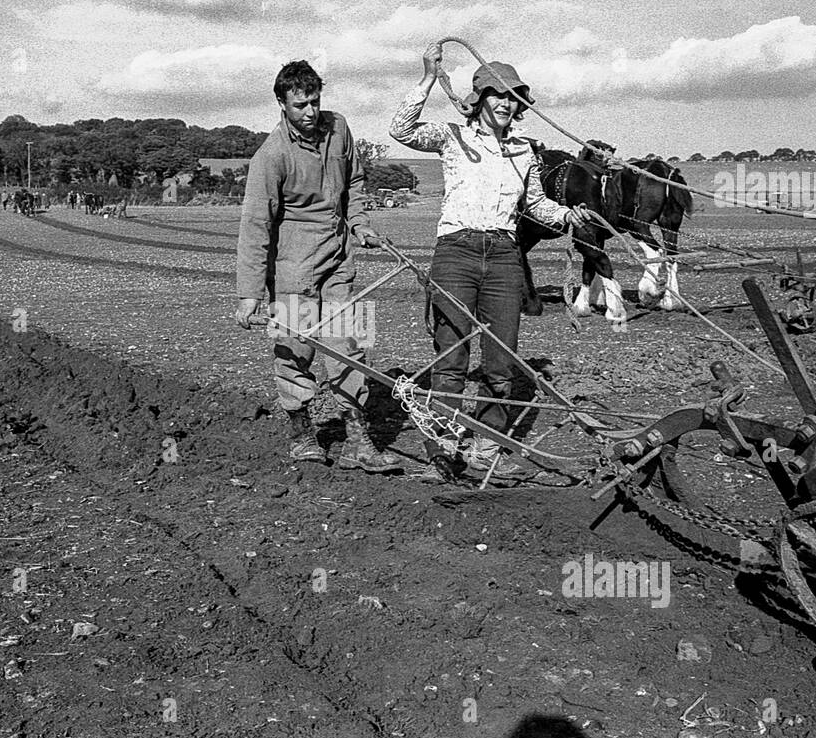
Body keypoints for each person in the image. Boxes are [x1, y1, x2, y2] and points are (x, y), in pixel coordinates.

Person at [389, 43, 593, 480]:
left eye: (512, 98)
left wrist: (568, 215)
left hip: (504, 256)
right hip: (456, 253)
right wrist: (428, 76)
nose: (506, 103)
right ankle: (444, 449)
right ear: (479, 99)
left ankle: (486, 449)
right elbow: (400, 130)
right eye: (498, 95)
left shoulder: (524, 152)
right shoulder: (452, 137)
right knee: (451, 358)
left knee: (502, 361)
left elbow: (535, 205)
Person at [235, 59, 397, 472]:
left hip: (339, 261)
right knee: (296, 351)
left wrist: (360, 224)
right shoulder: (270, 156)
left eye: (315, 102)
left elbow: (355, 183)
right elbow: (255, 227)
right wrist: (250, 294)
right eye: (300, 105)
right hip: (294, 268)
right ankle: (302, 435)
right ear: (281, 104)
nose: (310, 113)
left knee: (350, 345)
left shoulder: (339, 127)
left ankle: (358, 442)